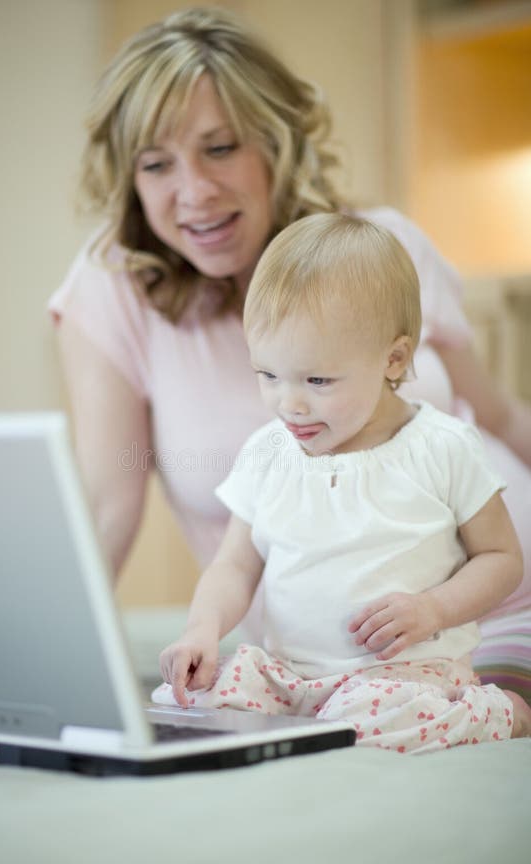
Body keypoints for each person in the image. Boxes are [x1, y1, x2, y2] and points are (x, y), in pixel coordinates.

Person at [49, 8, 531, 650]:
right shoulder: (114, 287)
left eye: (220, 148)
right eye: (155, 164)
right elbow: (107, 513)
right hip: (322, 662)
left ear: (276, 142)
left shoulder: (383, 247)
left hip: (500, 609)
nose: (193, 192)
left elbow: (498, 416)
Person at [156, 213, 531, 752]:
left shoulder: (442, 447)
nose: (290, 403)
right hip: (291, 674)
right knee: (193, 705)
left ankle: (495, 713)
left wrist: (434, 610)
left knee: (375, 724)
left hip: (401, 675)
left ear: (393, 358)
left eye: (317, 380)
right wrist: (202, 630)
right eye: (268, 375)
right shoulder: (268, 453)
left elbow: (502, 559)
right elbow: (234, 565)